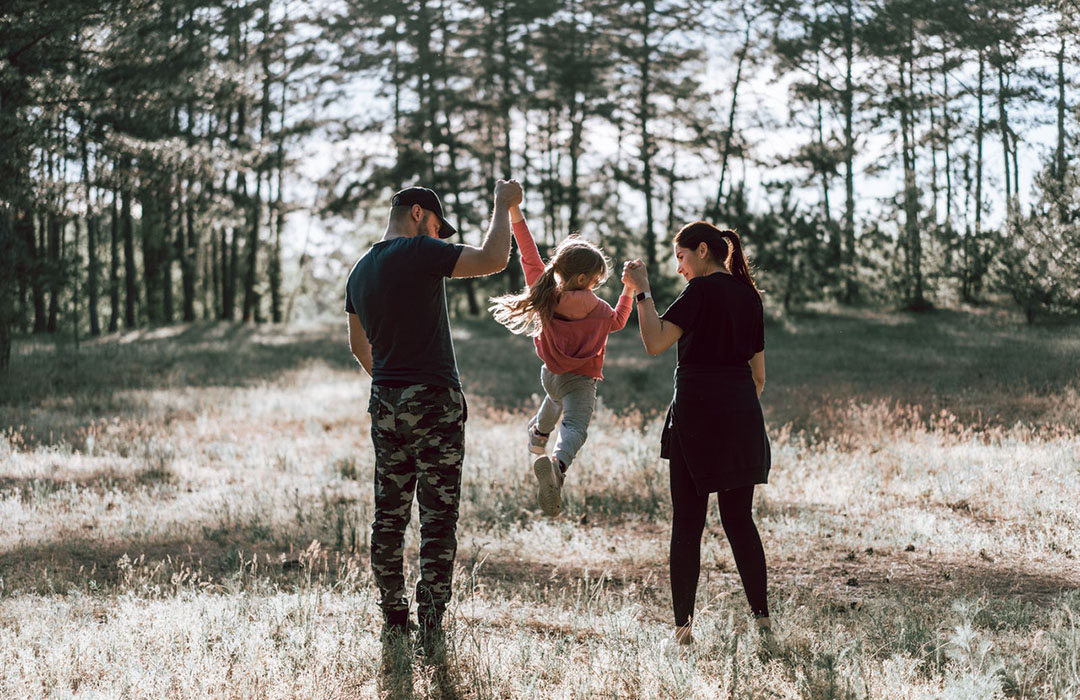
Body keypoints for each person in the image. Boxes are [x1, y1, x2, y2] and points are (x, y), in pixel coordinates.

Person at [345, 181, 523, 651]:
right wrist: (503, 204)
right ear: (419, 214)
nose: (441, 239)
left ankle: (393, 612)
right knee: (438, 515)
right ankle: (431, 618)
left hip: (385, 401)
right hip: (433, 401)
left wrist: (389, 380)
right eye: (438, 229)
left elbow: (357, 345)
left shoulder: (359, 270)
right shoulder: (419, 251)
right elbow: (493, 258)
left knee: (389, 514)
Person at [621, 221, 772, 647]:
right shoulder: (749, 297)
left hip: (697, 419)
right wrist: (735, 406)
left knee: (687, 525)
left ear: (702, 250)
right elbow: (758, 376)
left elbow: (654, 342)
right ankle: (763, 623)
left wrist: (642, 291)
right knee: (740, 521)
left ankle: (683, 633)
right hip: (742, 417)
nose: (681, 269)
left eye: (682, 258)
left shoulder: (701, 292)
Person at [488, 204, 632, 516]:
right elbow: (619, 321)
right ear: (584, 278)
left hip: (550, 376)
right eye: (595, 279)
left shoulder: (545, 295)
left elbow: (528, 254)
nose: (596, 285)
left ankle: (538, 433)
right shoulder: (601, 309)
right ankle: (557, 464)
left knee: (554, 398)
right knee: (575, 427)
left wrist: (514, 211)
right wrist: (629, 290)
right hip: (580, 381)